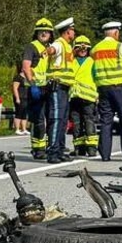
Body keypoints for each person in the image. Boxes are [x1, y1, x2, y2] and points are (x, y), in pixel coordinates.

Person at [91, 22, 122, 162]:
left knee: (106, 121)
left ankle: (105, 155)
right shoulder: (120, 46)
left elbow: (93, 69)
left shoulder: (95, 49)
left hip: (103, 89)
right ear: (116, 33)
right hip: (119, 88)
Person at [20, 18, 54, 159]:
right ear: (36, 33)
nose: (44, 33)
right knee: (38, 120)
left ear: (51, 34)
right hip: (36, 88)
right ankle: (38, 149)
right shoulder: (32, 47)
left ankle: (50, 147)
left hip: (49, 87)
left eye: (47, 31)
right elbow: (26, 67)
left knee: (51, 118)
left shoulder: (52, 48)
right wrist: (33, 84)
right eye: (41, 31)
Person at [45, 18, 76, 163]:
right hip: (57, 87)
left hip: (64, 88)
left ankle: (61, 150)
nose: (74, 33)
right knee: (56, 119)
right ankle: (53, 152)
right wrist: (48, 51)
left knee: (63, 121)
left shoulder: (68, 47)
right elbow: (52, 50)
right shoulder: (59, 44)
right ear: (68, 31)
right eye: (73, 30)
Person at [69, 35, 99, 156]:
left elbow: (97, 78)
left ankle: (91, 148)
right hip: (74, 96)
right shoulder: (71, 61)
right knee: (76, 123)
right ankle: (79, 148)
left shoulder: (92, 62)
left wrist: (98, 95)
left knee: (88, 121)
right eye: (80, 48)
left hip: (88, 97)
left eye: (84, 48)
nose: (82, 50)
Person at [11, 70, 29, 135]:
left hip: (26, 98)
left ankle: (24, 129)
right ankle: (17, 129)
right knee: (19, 113)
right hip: (20, 97)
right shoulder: (18, 77)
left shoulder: (27, 77)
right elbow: (15, 88)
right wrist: (17, 98)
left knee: (24, 114)